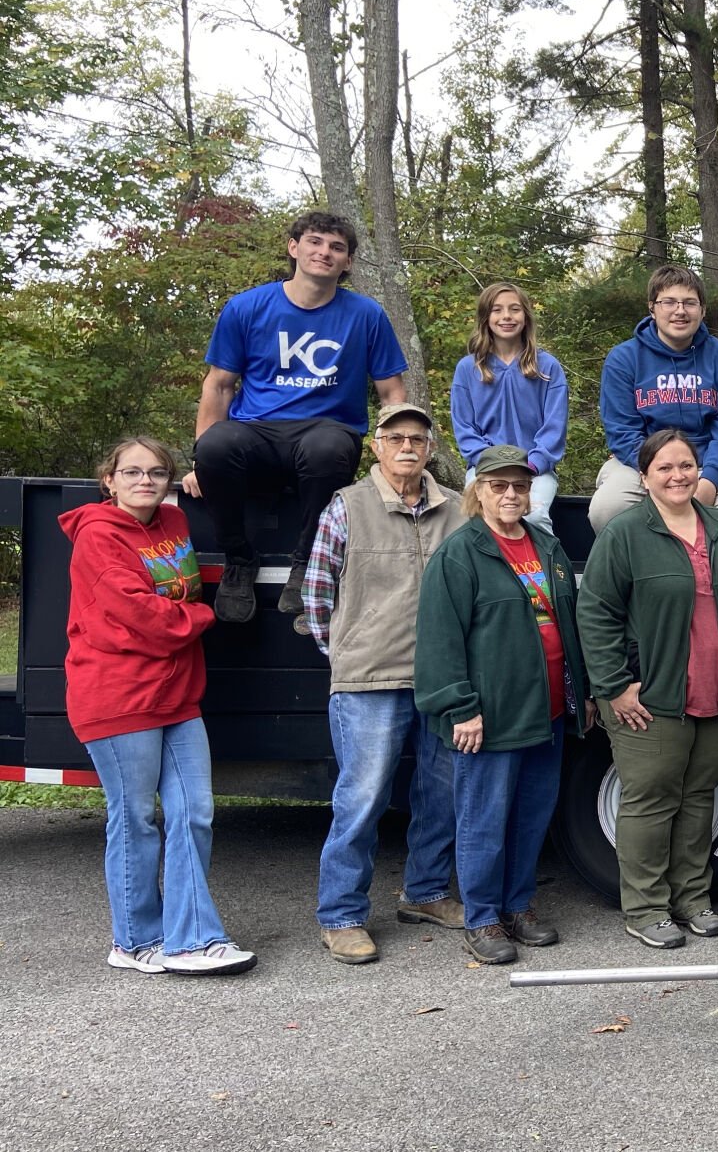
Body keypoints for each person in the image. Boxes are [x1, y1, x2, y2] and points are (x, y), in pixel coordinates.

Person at [63, 437, 256, 975]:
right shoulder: (97, 537)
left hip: (177, 693)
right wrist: (199, 620)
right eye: (132, 472)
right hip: (118, 695)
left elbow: (175, 593)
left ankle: (191, 938)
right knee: (136, 818)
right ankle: (134, 940)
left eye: (156, 472)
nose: (144, 481)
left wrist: (202, 479)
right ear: (110, 480)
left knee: (195, 811)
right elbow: (142, 615)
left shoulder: (173, 525)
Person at [580, 429, 718, 949]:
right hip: (651, 696)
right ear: (644, 477)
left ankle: (692, 899)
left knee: (698, 797)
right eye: (664, 468)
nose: (677, 476)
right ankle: (644, 908)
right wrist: (614, 686)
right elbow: (595, 613)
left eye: (686, 465)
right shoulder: (625, 534)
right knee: (650, 800)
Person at [185, 211, 408, 624]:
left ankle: (306, 563)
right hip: (256, 432)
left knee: (328, 447)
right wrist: (199, 462)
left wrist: (395, 456)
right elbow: (218, 386)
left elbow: (391, 392)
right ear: (294, 248)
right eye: (315, 241)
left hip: (326, 431)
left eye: (337, 247)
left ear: (348, 262)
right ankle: (239, 560)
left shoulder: (366, 315)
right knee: (214, 446)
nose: (325, 252)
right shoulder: (247, 307)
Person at [301, 403, 465, 965]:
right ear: (377, 446)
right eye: (395, 437)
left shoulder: (458, 510)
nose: (407, 447)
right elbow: (317, 595)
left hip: (444, 680)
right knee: (363, 797)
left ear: (430, 449)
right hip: (369, 679)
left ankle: (426, 893)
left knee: (442, 792)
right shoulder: (347, 507)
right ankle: (342, 915)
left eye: (417, 438)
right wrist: (347, 653)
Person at [416, 445, 589, 965]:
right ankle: (483, 916)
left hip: (549, 710)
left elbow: (570, 624)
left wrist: (584, 694)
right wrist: (459, 707)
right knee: (483, 820)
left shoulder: (547, 547)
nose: (511, 494)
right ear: (479, 491)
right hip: (491, 714)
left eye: (520, 485)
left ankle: (518, 905)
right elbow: (439, 640)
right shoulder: (462, 552)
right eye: (499, 485)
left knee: (531, 816)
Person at [587, 265, 718, 543]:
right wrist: (659, 475)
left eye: (690, 303)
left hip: (708, 462)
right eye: (669, 302)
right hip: (642, 464)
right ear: (652, 308)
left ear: (702, 310)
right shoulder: (624, 359)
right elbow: (622, 430)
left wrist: (709, 481)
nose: (680, 311)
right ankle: (634, 576)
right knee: (608, 508)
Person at [451, 282, 569, 535]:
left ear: (526, 317)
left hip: (535, 471)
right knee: (478, 522)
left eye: (514, 309)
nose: (506, 316)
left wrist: (532, 466)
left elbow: (554, 428)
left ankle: (545, 573)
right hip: (484, 469)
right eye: (497, 310)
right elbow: (465, 429)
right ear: (485, 318)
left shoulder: (547, 368)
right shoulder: (467, 369)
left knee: (534, 518)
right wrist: (491, 465)